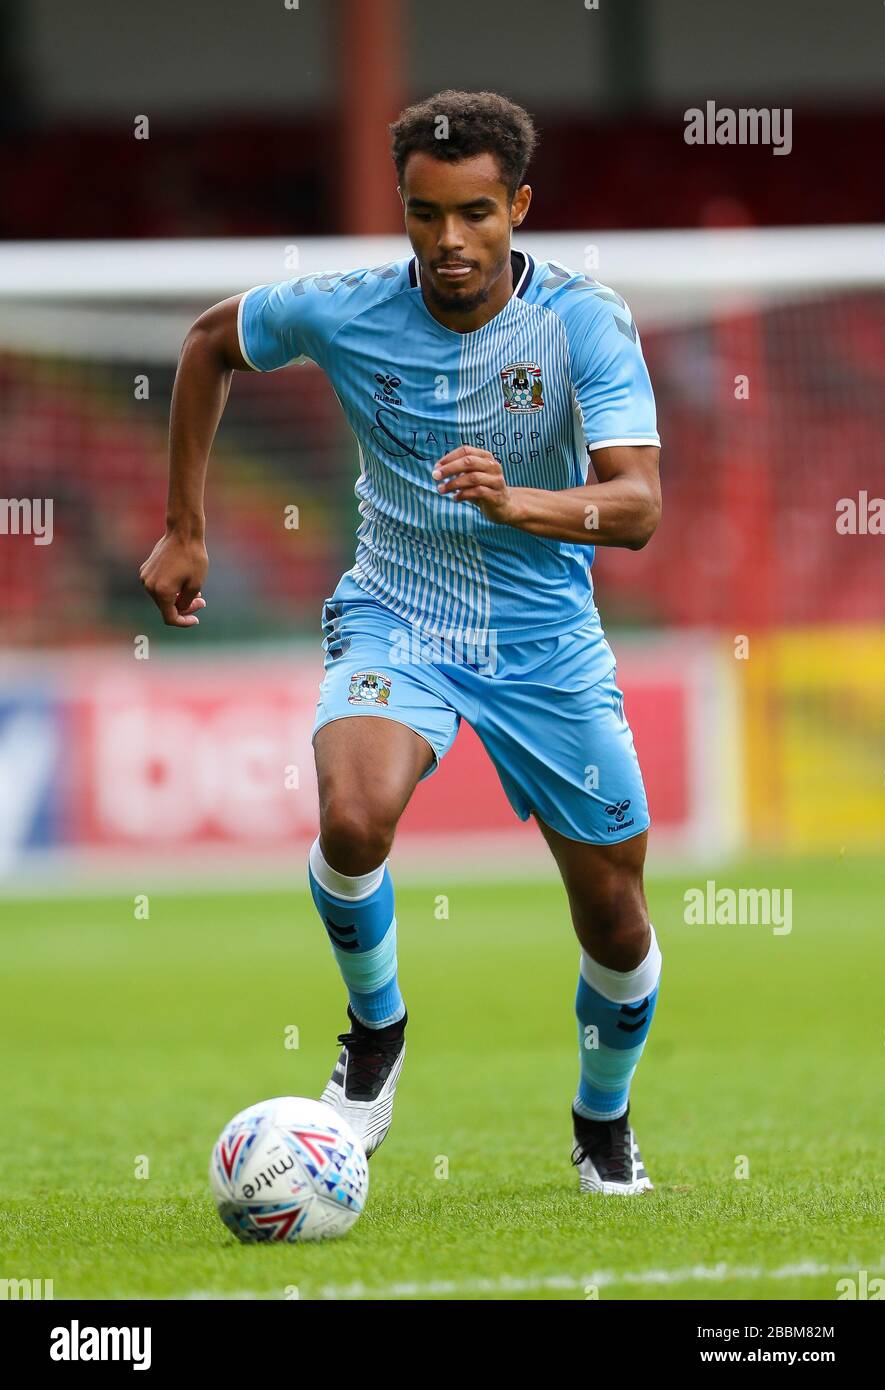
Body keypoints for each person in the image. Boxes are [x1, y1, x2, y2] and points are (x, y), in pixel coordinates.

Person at [140, 89, 663, 1195]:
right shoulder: (347, 308)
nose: (449, 242)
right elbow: (206, 344)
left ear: (518, 205)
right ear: (403, 210)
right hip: (397, 610)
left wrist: (521, 502)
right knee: (352, 812)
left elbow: (639, 505)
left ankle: (601, 1117)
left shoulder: (583, 323)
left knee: (617, 922)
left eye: (475, 213)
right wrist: (185, 528)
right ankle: (376, 1031)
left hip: (546, 642)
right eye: (425, 215)